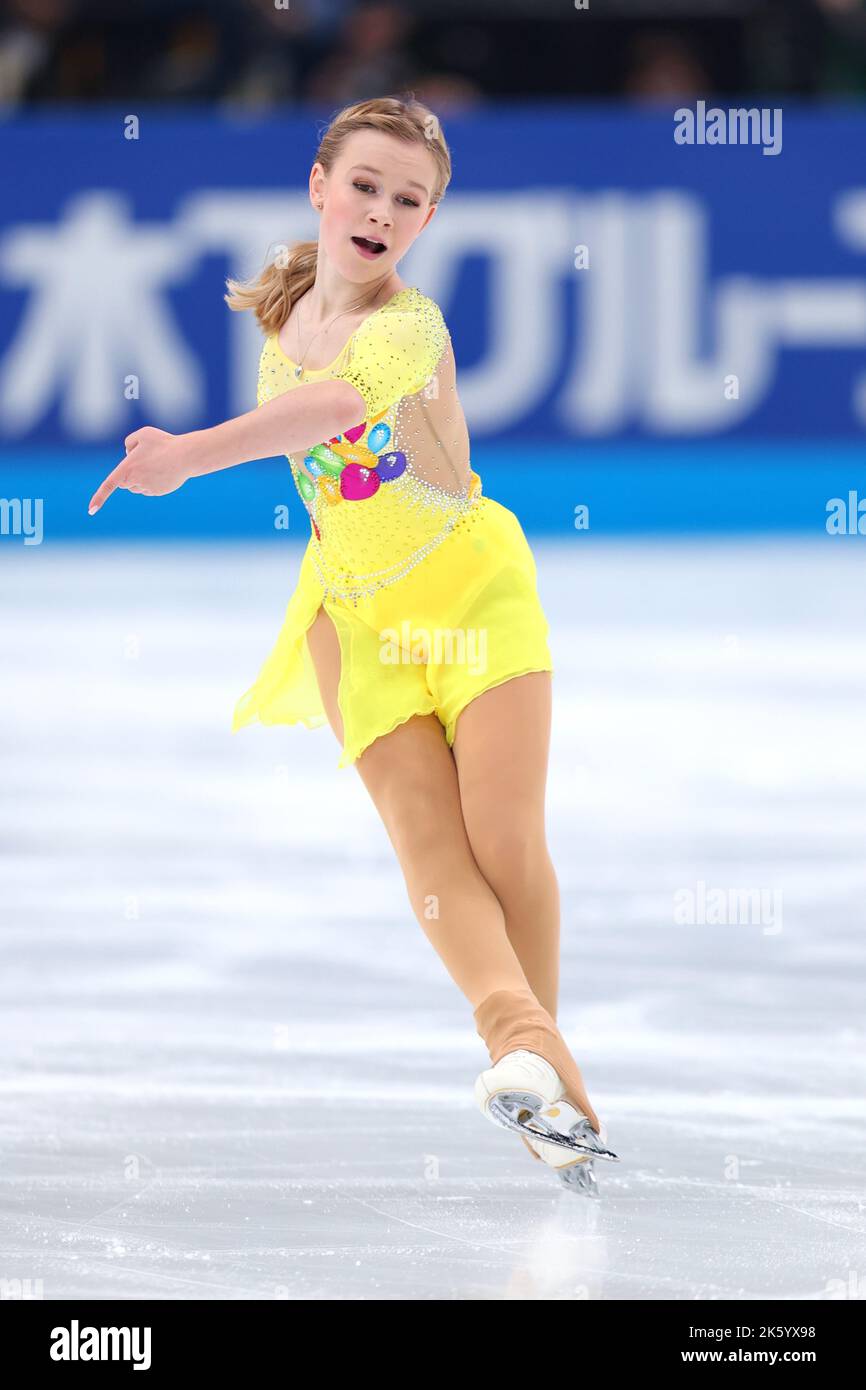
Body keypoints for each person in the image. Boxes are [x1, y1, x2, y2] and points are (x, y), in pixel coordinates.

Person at [87, 94, 616, 1191]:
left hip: (468, 592)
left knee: (501, 837)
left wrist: (186, 453)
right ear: (320, 187)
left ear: (427, 220)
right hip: (347, 616)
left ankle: (538, 1069)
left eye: (407, 199)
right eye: (364, 185)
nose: (381, 210)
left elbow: (332, 411)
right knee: (427, 848)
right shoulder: (285, 303)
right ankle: (523, 1053)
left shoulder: (411, 325)